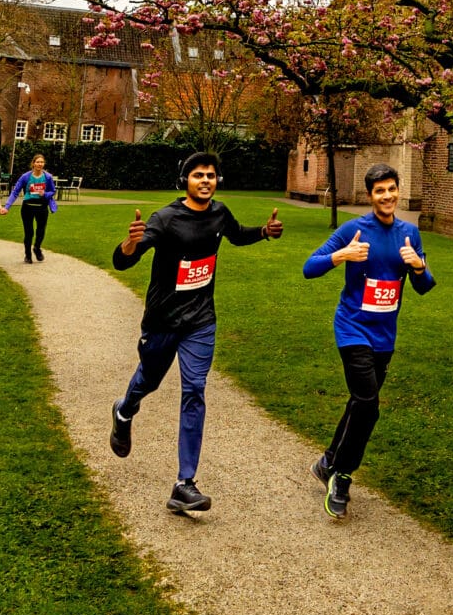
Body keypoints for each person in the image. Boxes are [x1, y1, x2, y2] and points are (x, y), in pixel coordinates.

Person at [108, 150, 284, 515]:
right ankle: (124, 412)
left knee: (194, 390)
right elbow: (124, 260)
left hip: (201, 321)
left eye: (211, 175)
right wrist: (130, 242)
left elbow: (236, 236)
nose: (206, 180)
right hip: (161, 321)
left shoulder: (220, 213)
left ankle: (184, 483)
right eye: (198, 175)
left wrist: (264, 232)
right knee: (148, 381)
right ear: (185, 180)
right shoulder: (166, 218)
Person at [301, 163, 433, 521]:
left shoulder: (409, 233)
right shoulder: (353, 230)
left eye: (392, 189)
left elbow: (424, 286)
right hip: (352, 328)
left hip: (384, 336)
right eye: (379, 191)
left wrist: (418, 267)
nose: (387, 196)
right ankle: (342, 477)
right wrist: (340, 256)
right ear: (370, 195)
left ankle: (328, 460)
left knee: (359, 403)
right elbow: (308, 267)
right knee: (368, 402)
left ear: (398, 191)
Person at [4, 154, 56, 263]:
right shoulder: (25, 177)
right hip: (28, 207)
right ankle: (28, 255)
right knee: (29, 232)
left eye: (42, 162)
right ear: (33, 163)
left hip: (42, 207)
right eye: (37, 162)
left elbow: (53, 191)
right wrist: (7, 206)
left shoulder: (48, 177)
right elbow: (15, 192)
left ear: (44, 164)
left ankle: (37, 248)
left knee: (41, 231)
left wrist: (45, 194)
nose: (39, 164)